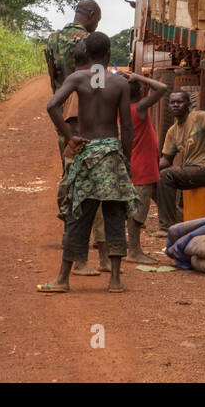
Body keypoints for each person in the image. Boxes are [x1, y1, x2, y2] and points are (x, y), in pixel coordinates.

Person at [39, 31, 138, 294]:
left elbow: (52, 106)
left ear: (86, 52)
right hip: (111, 154)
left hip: (87, 154)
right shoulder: (119, 84)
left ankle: (63, 279)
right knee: (114, 214)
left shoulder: (77, 78)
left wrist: (69, 136)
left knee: (78, 215)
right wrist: (125, 159)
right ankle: (115, 280)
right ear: (107, 55)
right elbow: (127, 128)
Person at [45, 0, 105, 276]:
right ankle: (87, 251)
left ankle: (70, 238)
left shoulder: (52, 39)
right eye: (98, 19)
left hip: (62, 117)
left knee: (69, 174)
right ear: (91, 15)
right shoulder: (91, 41)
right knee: (90, 180)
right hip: (86, 117)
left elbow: (54, 81)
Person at [156, 91, 205, 230]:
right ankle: (176, 218)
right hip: (191, 173)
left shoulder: (198, 117)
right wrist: (148, 171)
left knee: (165, 176)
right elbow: (166, 160)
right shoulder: (172, 131)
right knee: (154, 180)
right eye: (172, 102)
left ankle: (167, 227)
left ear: (188, 105)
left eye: (179, 102)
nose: (175, 105)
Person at [122, 69, 170, 263]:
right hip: (143, 166)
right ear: (140, 91)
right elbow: (162, 88)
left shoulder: (124, 110)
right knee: (138, 211)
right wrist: (139, 77)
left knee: (149, 202)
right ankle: (134, 251)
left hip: (140, 164)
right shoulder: (139, 108)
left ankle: (169, 226)